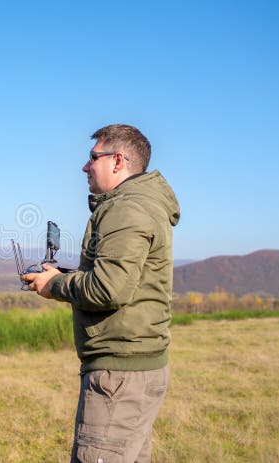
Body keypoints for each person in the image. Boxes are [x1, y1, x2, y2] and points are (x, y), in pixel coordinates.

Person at [22, 124, 180, 463]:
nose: (85, 166)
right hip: (134, 371)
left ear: (118, 161)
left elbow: (109, 288)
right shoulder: (142, 205)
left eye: (93, 158)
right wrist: (65, 277)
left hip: (118, 378)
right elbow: (124, 280)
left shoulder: (126, 208)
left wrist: (54, 286)